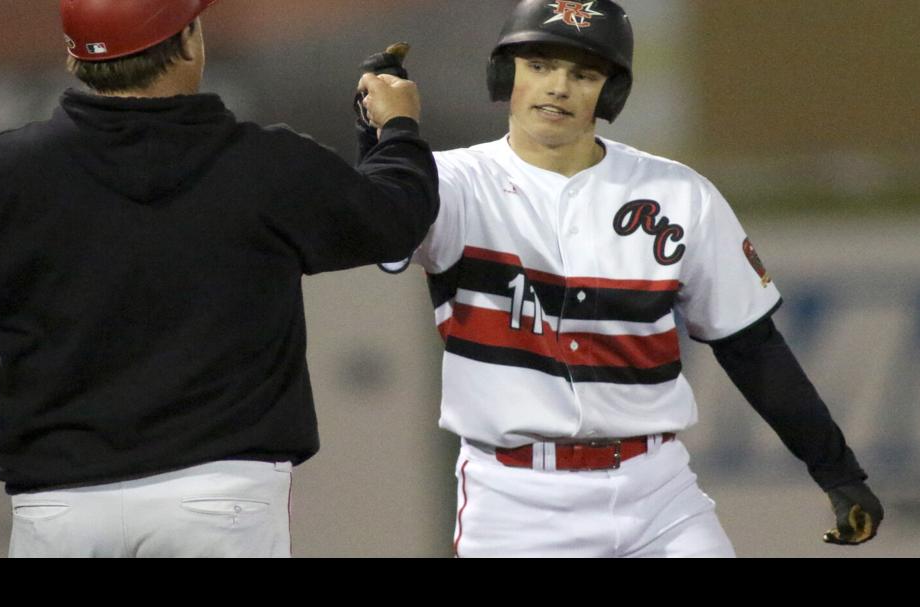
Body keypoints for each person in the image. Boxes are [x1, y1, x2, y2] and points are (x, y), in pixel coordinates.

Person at [0, 0, 436, 557]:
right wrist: (394, 128)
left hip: (62, 511)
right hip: (216, 497)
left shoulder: (5, 175)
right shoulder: (264, 165)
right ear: (187, 43)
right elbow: (392, 218)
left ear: (76, 59)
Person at [371, 0, 882, 557]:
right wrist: (383, 143)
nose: (559, 87)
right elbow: (377, 235)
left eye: (584, 73)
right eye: (539, 65)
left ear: (609, 93)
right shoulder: (449, 181)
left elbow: (751, 346)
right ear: (504, 73)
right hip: (516, 501)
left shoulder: (678, 193)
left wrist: (838, 472)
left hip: (658, 491)